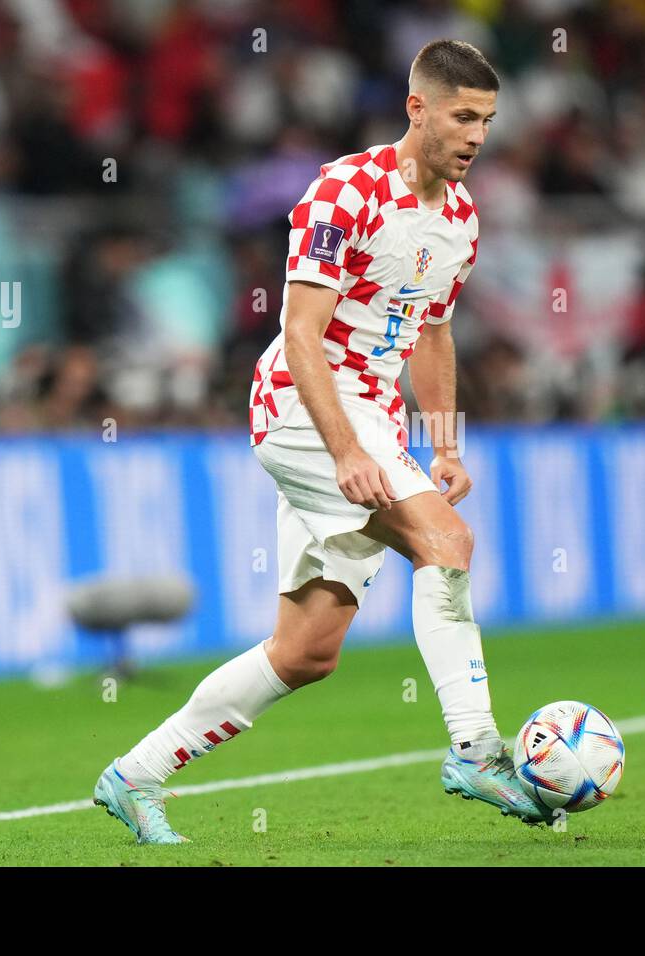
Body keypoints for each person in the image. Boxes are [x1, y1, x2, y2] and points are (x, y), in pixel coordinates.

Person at [93, 39, 553, 843]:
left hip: (374, 418)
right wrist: (345, 451)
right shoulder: (347, 191)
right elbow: (300, 333)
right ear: (418, 109)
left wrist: (444, 447)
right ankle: (477, 749)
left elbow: (433, 335)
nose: (477, 135)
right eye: (462, 116)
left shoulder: (462, 223)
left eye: (487, 120)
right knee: (446, 541)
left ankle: (135, 775)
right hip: (304, 409)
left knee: (305, 650)